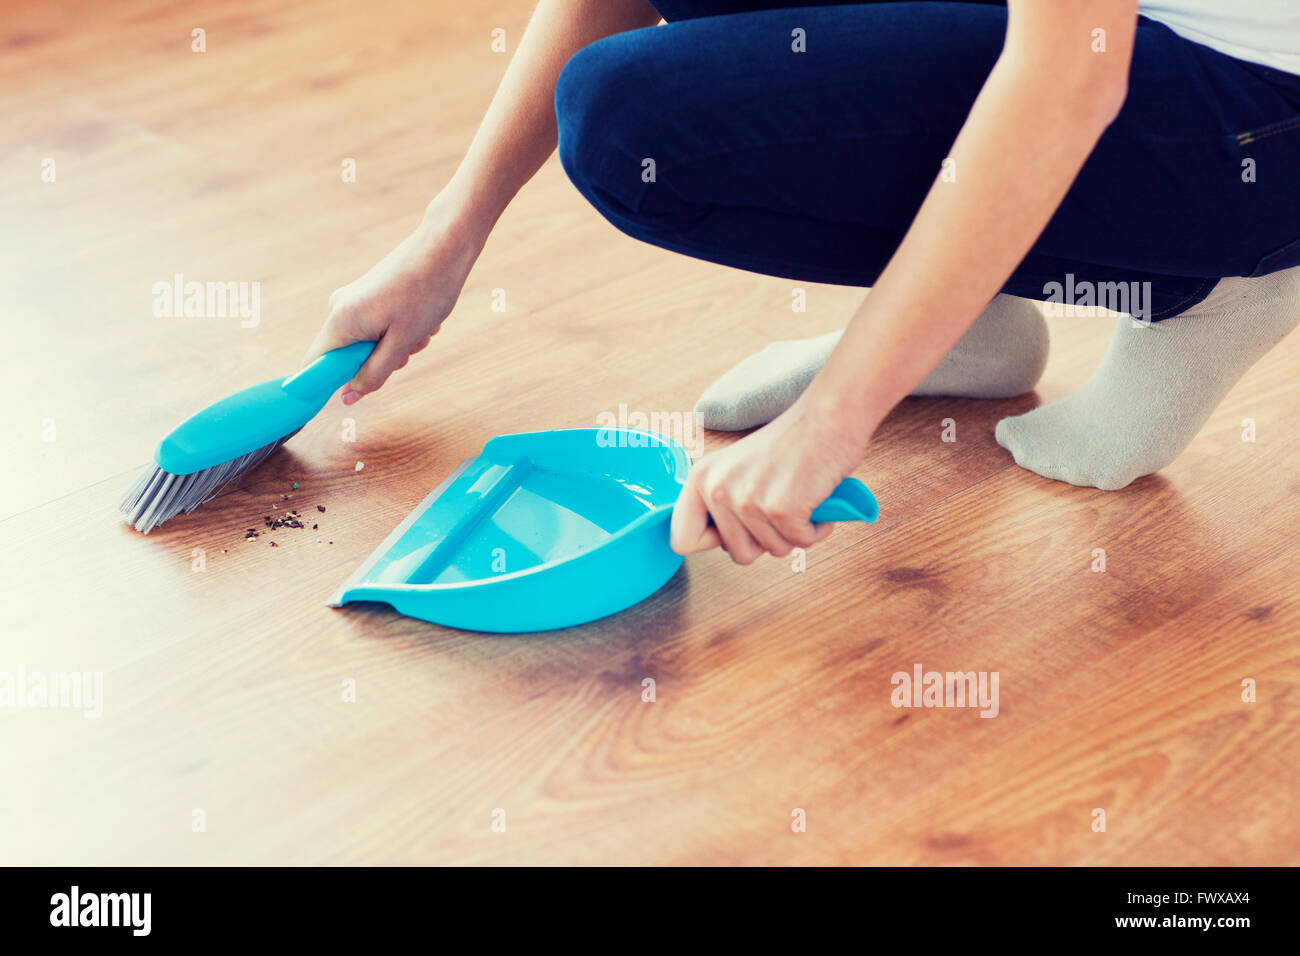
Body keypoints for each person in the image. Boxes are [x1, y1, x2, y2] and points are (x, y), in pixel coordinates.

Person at [305, 0, 1300, 564]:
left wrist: (832, 420)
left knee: (624, 118)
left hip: (1253, 116)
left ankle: (1197, 285)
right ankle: (966, 320)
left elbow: (1068, 77)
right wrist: (445, 240)